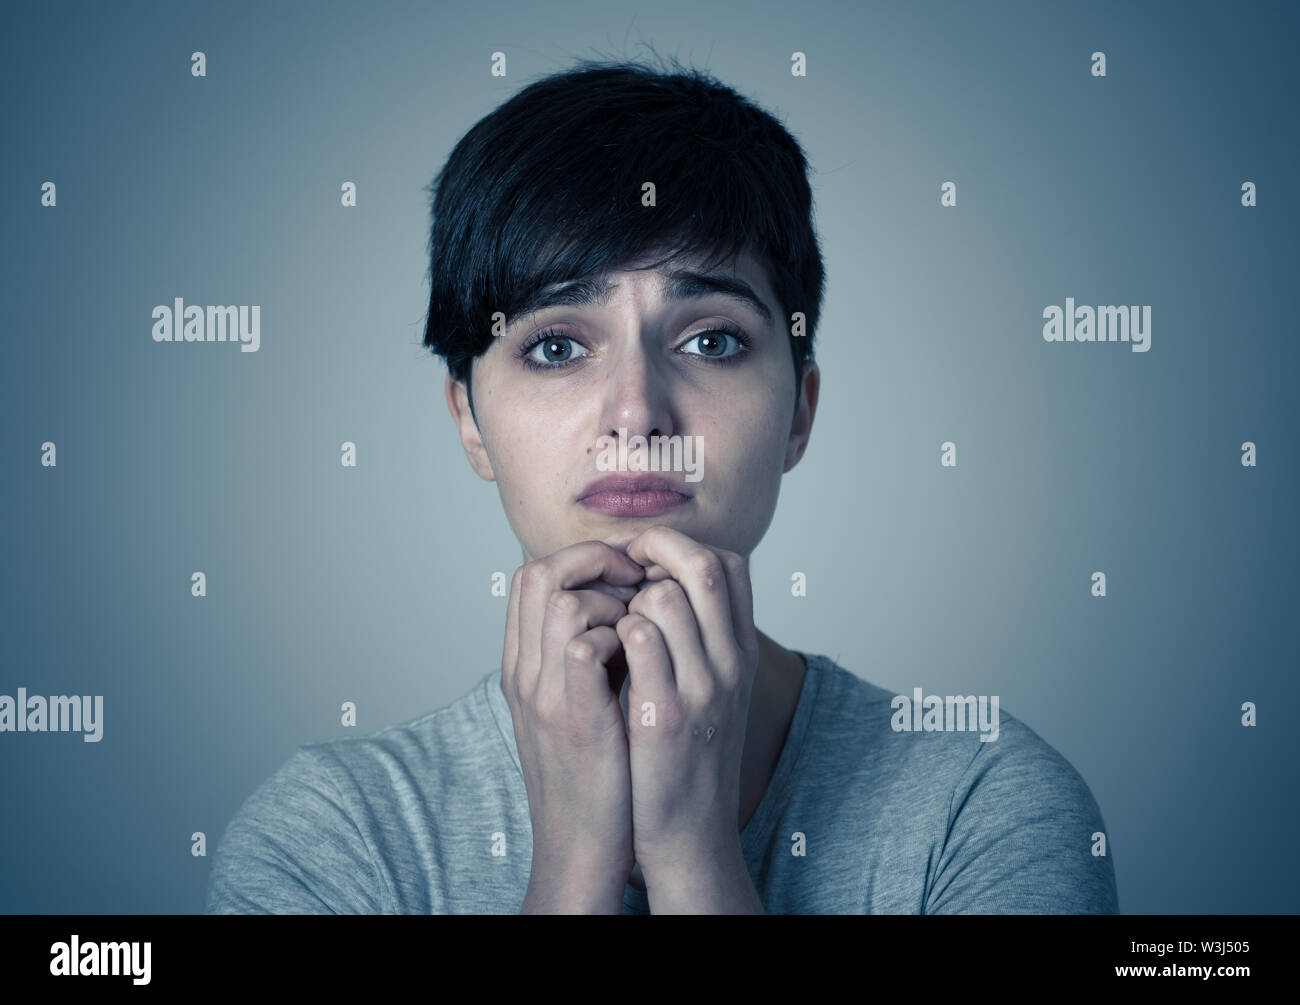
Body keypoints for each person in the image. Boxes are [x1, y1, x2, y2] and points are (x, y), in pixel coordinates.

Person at [205, 55, 1119, 915]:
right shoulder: (331, 840)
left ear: (798, 412)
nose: (637, 415)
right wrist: (572, 865)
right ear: (469, 421)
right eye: (556, 345)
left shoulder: (985, 809)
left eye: (711, 339)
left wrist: (692, 855)